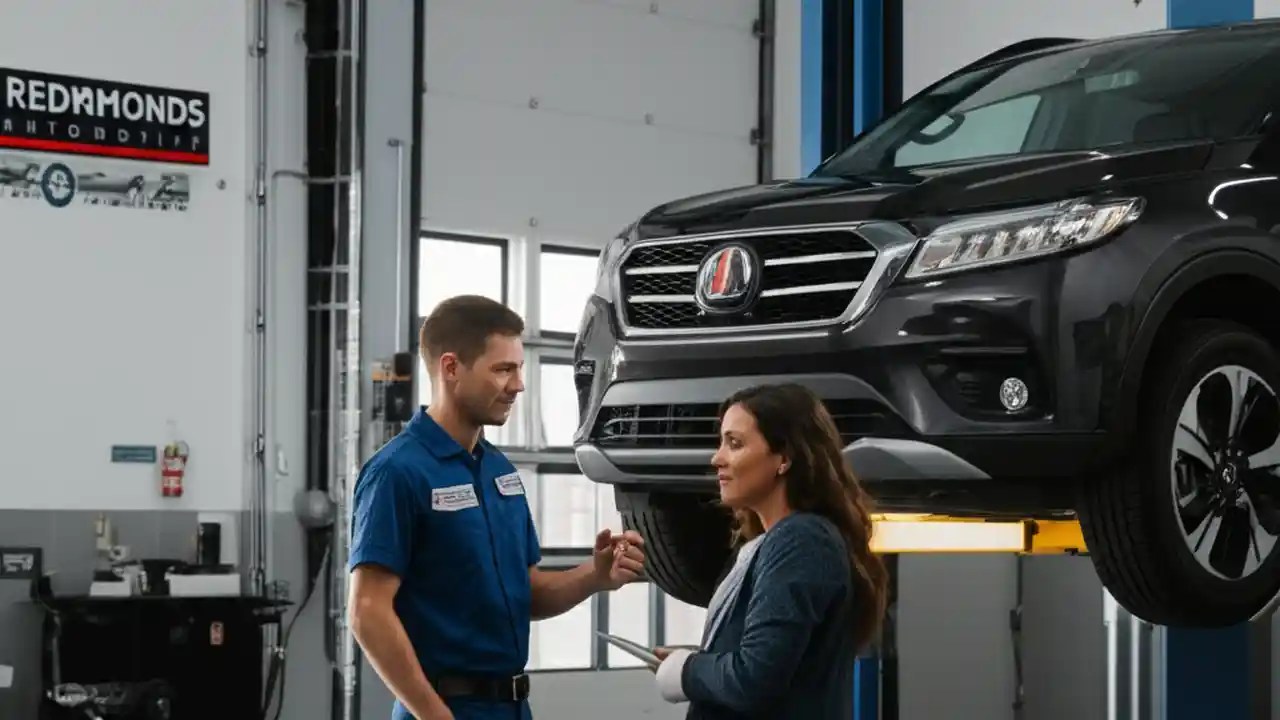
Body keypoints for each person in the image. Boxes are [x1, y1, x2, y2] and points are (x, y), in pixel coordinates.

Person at [347, 294, 646, 720]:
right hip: (443, 708)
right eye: (503, 369)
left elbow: (526, 593)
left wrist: (594, 575)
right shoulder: (396, 472)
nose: (518, 384)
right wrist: (435, 715)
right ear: (451, 368)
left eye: (520, 368)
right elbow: (367, 611)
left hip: (512, 707)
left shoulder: (499, 471)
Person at [650, 383, 890, 719]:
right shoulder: (773, 542)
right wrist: (698, 661)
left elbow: (754, 679)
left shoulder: (801, 540)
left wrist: (688, 671)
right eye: (721, 443)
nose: (717, 458)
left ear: (784, 458)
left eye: (735, 443)